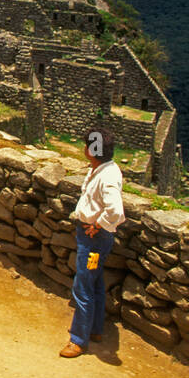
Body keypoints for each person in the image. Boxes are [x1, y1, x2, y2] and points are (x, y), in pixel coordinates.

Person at [60, 127, 125, 358]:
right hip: (94, 240)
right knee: (95, 282)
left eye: (87, 145)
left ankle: (78, 340)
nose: (84, 148)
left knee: (83, 285)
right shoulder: (102, 169)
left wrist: (97, 225)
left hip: (93, 242)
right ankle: (95, 329)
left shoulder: (106, 176)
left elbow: (116, 211)